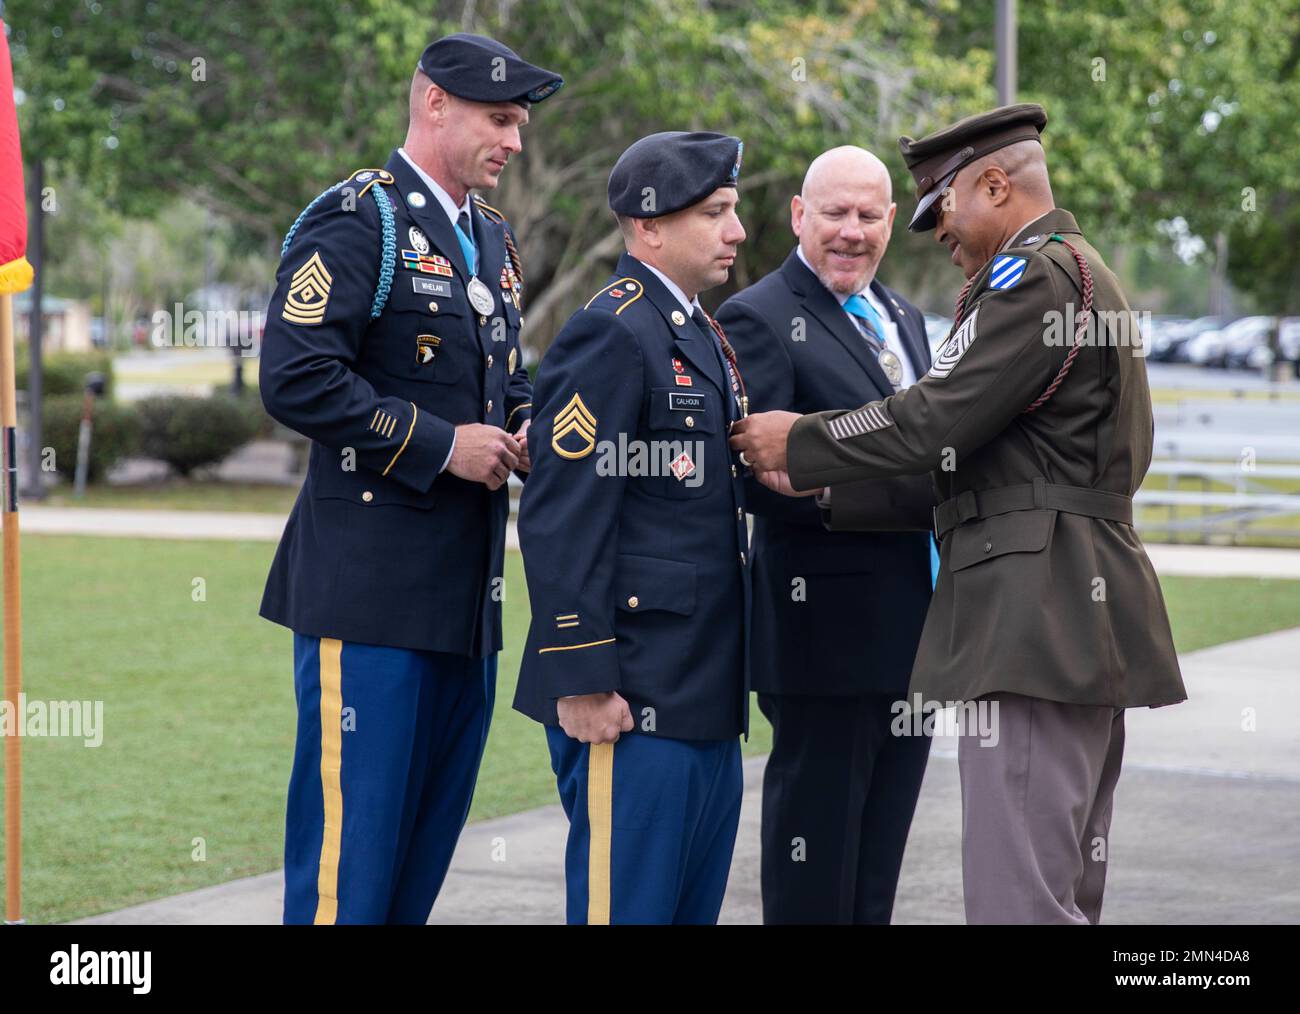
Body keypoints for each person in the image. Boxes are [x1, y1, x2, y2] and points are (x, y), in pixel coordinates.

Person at [729, 103, 1187, 924]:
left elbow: (933, 422)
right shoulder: (1091, 275)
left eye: (944, 211)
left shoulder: (1031, 276)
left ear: (996, 184)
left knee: (1020, 902)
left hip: (1030, 621)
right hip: (1081, 609)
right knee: (1063, 894)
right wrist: (839, 491)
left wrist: (800, 444)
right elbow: (983, 462)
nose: (942, 235)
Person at [258, 33, 562, 924]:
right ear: (434, 103)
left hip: (463, 606)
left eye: (520, 124)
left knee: (416, 871)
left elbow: (499, 374)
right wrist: (439, 445)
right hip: (371, 602)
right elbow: (296, 375)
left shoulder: (491, 238)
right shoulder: (361, 219)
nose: (515, 142)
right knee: (346, 878)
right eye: (500, 120)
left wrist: (523, 421)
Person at [513, 131, 750, 924]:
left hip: (703, 691)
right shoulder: (614, 330)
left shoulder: (696, 331)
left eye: (734, 210)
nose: (736, 230)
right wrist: (580, 675)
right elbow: (562, 511)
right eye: (715, 212)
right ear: (648, 226)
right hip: (630, 696)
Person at [714, 146, 935, 924]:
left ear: (890, 223)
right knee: (816, 874)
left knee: (876, 878)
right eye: (834, 213)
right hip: (825, 644)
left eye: (868, 215)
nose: (852, 231)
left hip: (919, 639)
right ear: (800, 216)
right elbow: (761, 480)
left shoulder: (904, 318)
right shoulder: (759, 315)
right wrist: (917, 496)